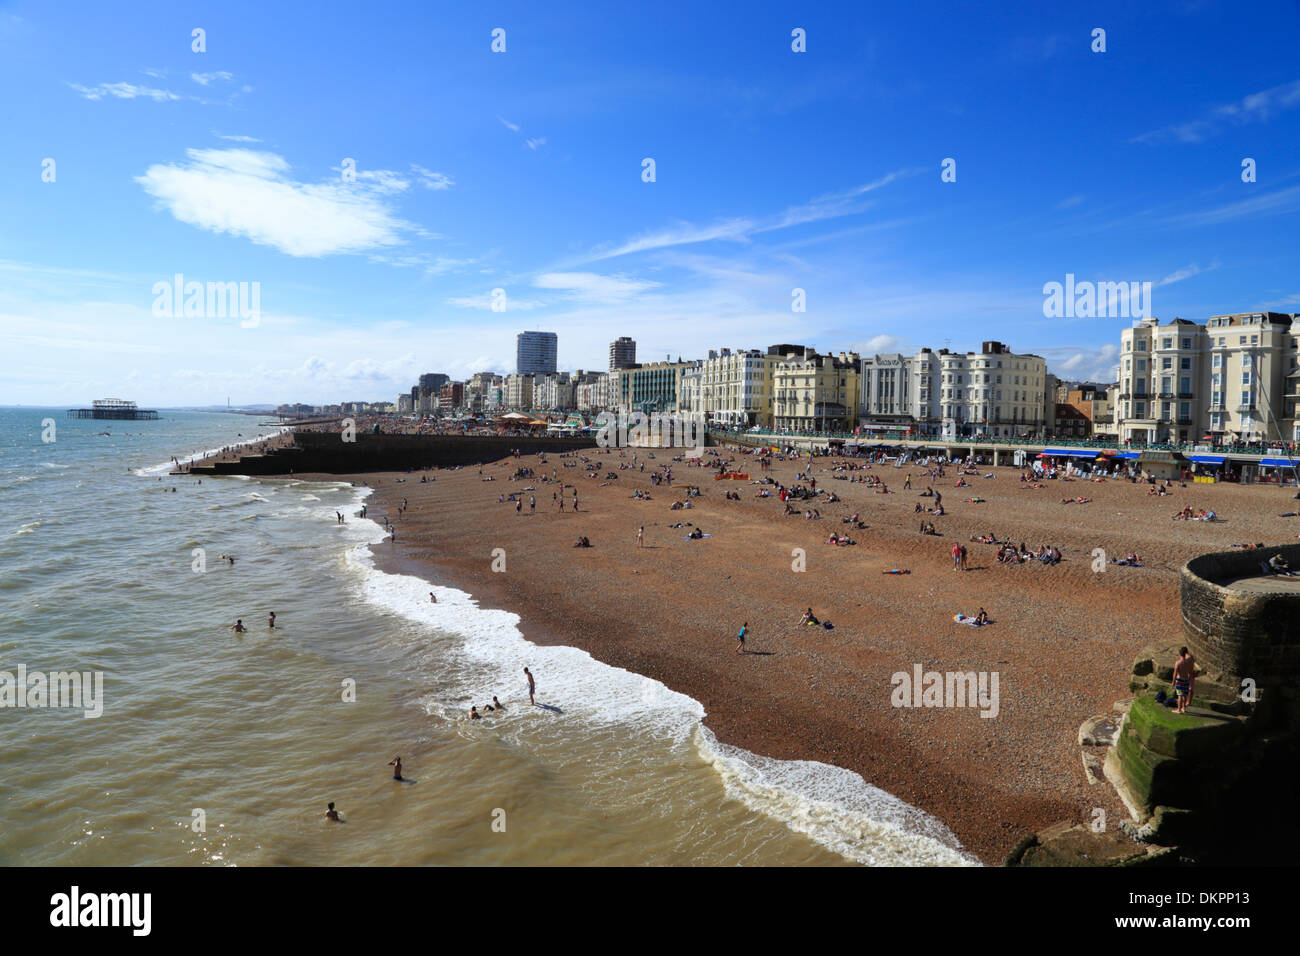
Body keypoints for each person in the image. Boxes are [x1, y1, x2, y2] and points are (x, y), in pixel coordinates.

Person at [1172, 647, 1196, 714]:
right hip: (1186, 680)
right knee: (1185, 695)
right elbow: (1190, 670)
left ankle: (1179, 710)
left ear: (1180, 654)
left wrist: (1173, 681)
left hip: (1180, 680)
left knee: (1179, 695)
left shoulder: (1178, 663)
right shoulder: (1187, 662)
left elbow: (1175, 673)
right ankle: (1184, 708)